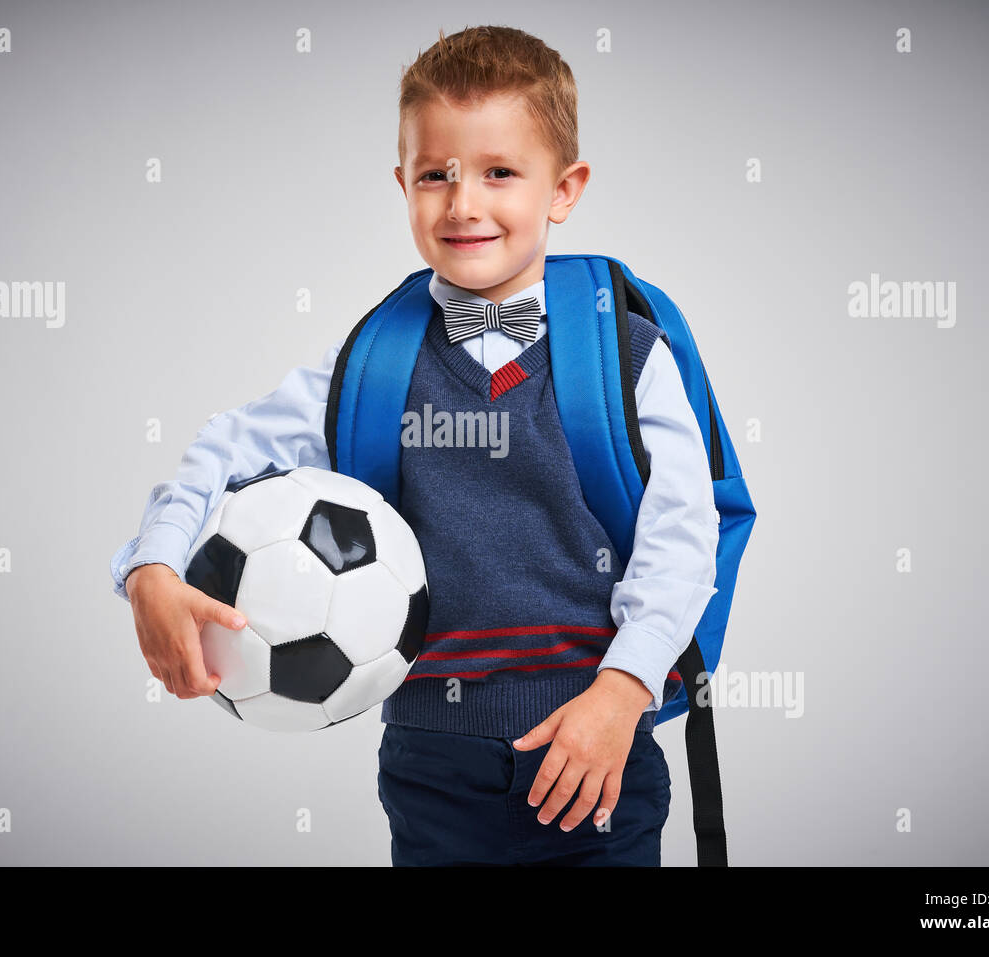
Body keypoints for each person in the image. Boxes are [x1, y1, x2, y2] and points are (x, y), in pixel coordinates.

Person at [110, 25, 719, 866]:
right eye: (437, 174)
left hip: (597, 747)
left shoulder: (629, 358)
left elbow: (681, 541)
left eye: (501, 172)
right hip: (431, 764)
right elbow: (226, 449)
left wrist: (624, 691)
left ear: (564, 188)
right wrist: (151, 567)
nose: (464, 203)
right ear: (404, 183)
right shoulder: (374, 363)